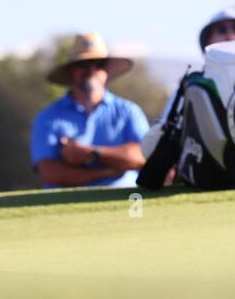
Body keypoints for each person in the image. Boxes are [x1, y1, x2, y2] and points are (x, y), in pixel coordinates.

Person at [30, 32, 150, 188]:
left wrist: (90, 153)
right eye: (83, 64)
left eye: (98, 63)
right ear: (71, 70)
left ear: (106, 70)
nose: (91, 69)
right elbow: (50, 172)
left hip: (123, 202)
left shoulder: (128, 112)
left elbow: (143, 156)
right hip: (65, 205)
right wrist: (106, 172)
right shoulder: (48, 117)